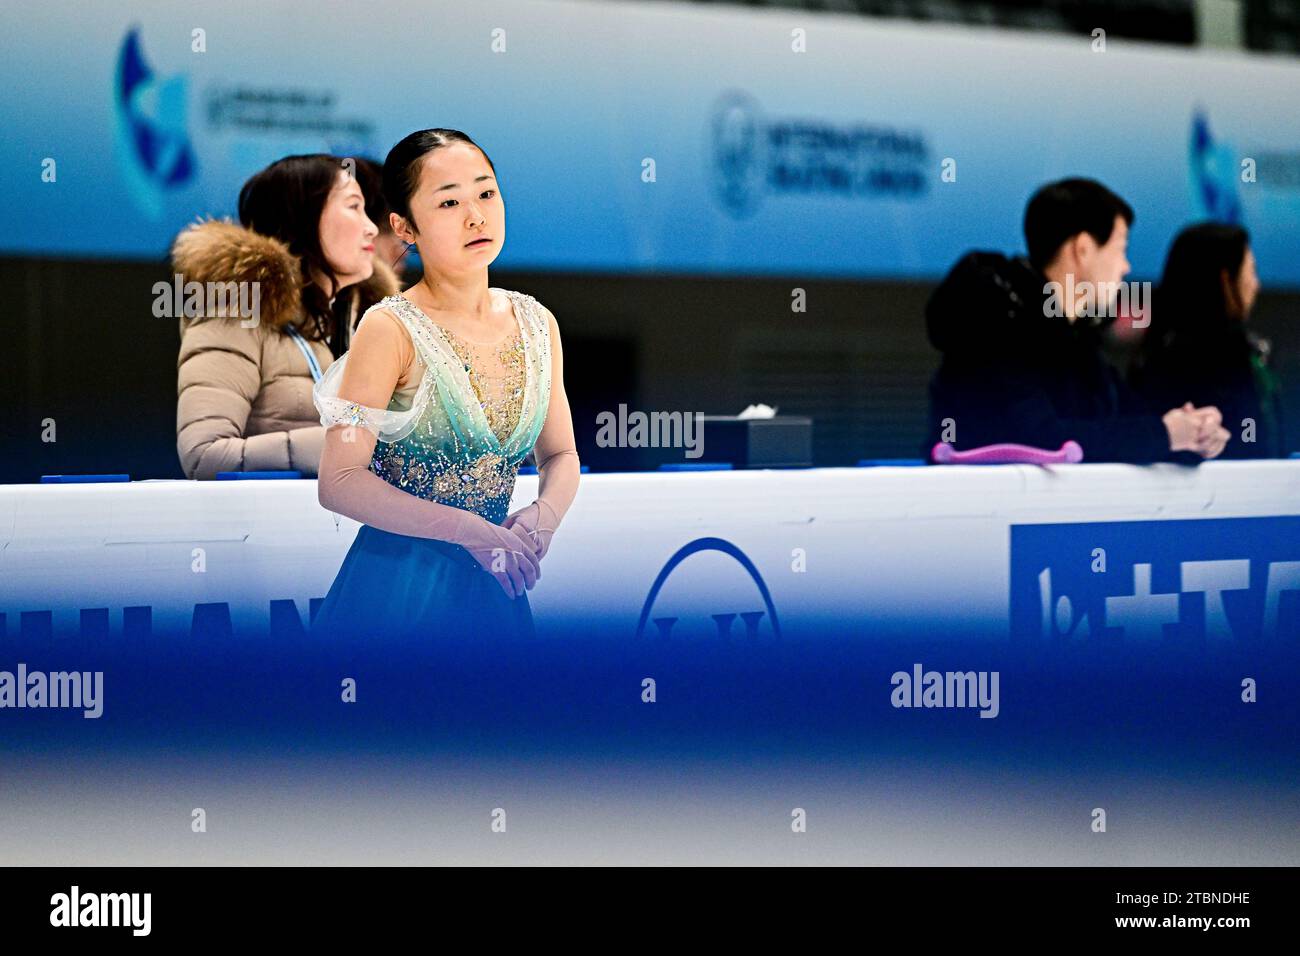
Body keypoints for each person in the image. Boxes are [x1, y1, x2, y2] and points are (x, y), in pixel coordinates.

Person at [311, 129, 581, 638]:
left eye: (486, 192)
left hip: (497, 589)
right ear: (404, 226)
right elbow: (339, 480)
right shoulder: (390, 328)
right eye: (449, 202)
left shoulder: (538, 323)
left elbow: (561, 456)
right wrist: (467, 531)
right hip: (397, 594)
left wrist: (544, 516)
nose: (476, 215)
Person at [923, 178, 1228, 464]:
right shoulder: (994, 324)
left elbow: (1126, 424)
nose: (1126, 267)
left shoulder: (1077, 339)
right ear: (1082, 249)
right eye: (1121, 249)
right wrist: (1165, 435)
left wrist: (1191, 433)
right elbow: (1040, 441)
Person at [175, 155, 398, 478]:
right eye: (353, 207)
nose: (369, 229)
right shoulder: (236, 312)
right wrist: (338, 445)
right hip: (272, 525)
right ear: (304, 217)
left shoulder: (361, 322)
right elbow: (204, 455)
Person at [1130, 223, 1284, 459]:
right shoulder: (1190, 360)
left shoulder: (1155, 352)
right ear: (1225, 279)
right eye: (1250, 272)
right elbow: (1250, 436)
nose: (1256, 284)